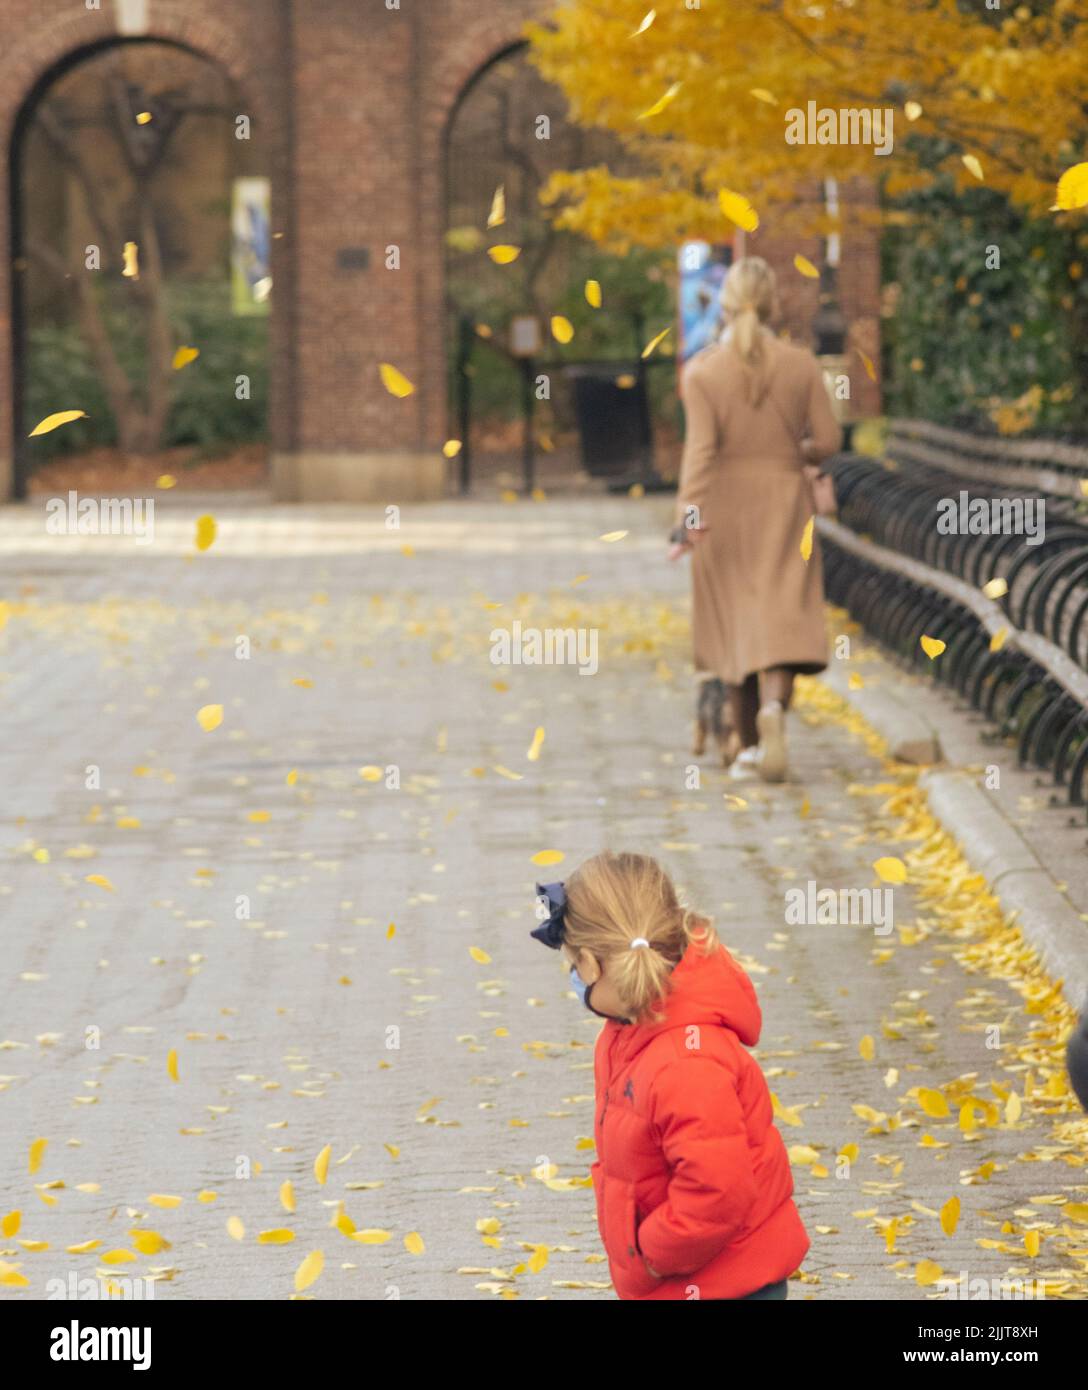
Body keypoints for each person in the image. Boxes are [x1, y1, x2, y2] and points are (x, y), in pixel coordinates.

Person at [530, 851, 809, 1300]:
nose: (575, 978)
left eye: (575, 965)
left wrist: (652, 1254)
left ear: (593, 962)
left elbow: (717, 1192)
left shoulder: (684, 1061)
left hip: (722, 1283)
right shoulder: (632, 1032)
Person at [670, 255, 842, 782]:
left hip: (721, 505)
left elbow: (699, 453)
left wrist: (687, 519)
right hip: (786, 501)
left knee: (735, 623)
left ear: (724, 305)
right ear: (773, 305)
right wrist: (800, 455)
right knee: (780, 614)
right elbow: (830, 441)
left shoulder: (701, 372)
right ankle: (773, 710)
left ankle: (746, 750)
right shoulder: (801, 365)